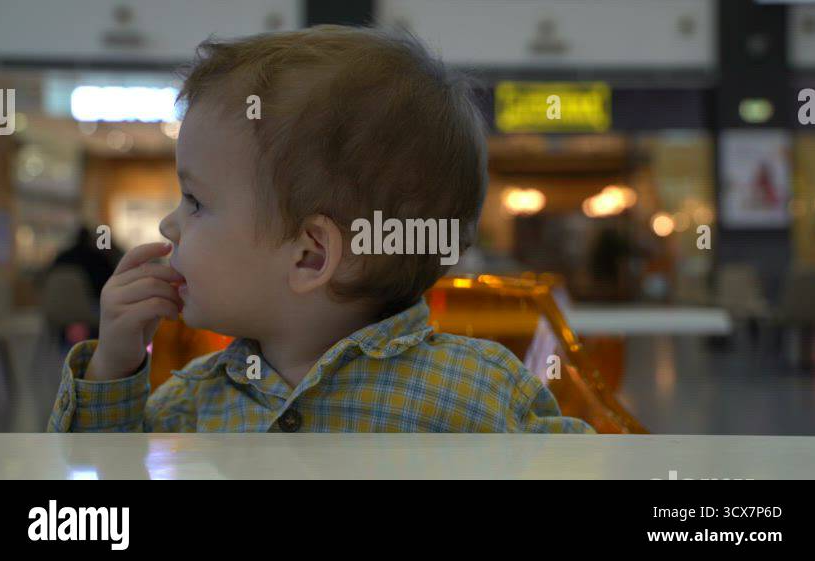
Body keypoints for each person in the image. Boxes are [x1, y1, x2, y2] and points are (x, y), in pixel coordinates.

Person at [47, 26, 593, 433]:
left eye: (194, 200)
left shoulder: (478, 395)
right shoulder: (193, 400)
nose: (170, 223)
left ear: (310, 255)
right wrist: (113, 368)